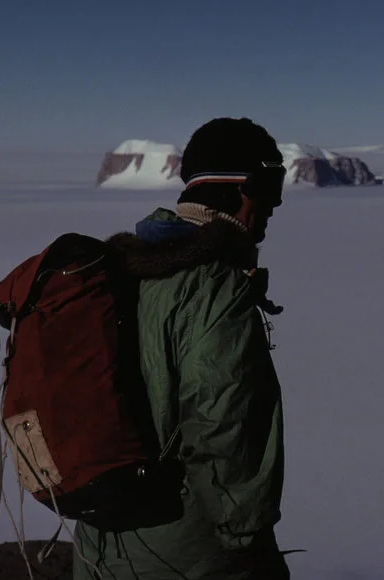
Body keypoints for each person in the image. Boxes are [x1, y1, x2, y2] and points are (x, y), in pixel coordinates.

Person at [73, 118, 290, 580]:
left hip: (98, 547)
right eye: (271, 187)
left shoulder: (116, 271)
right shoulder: (215, 288)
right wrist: (247, 544)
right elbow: (221, 424)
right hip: (187, 554)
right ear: (240, 189)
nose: (275, 205)